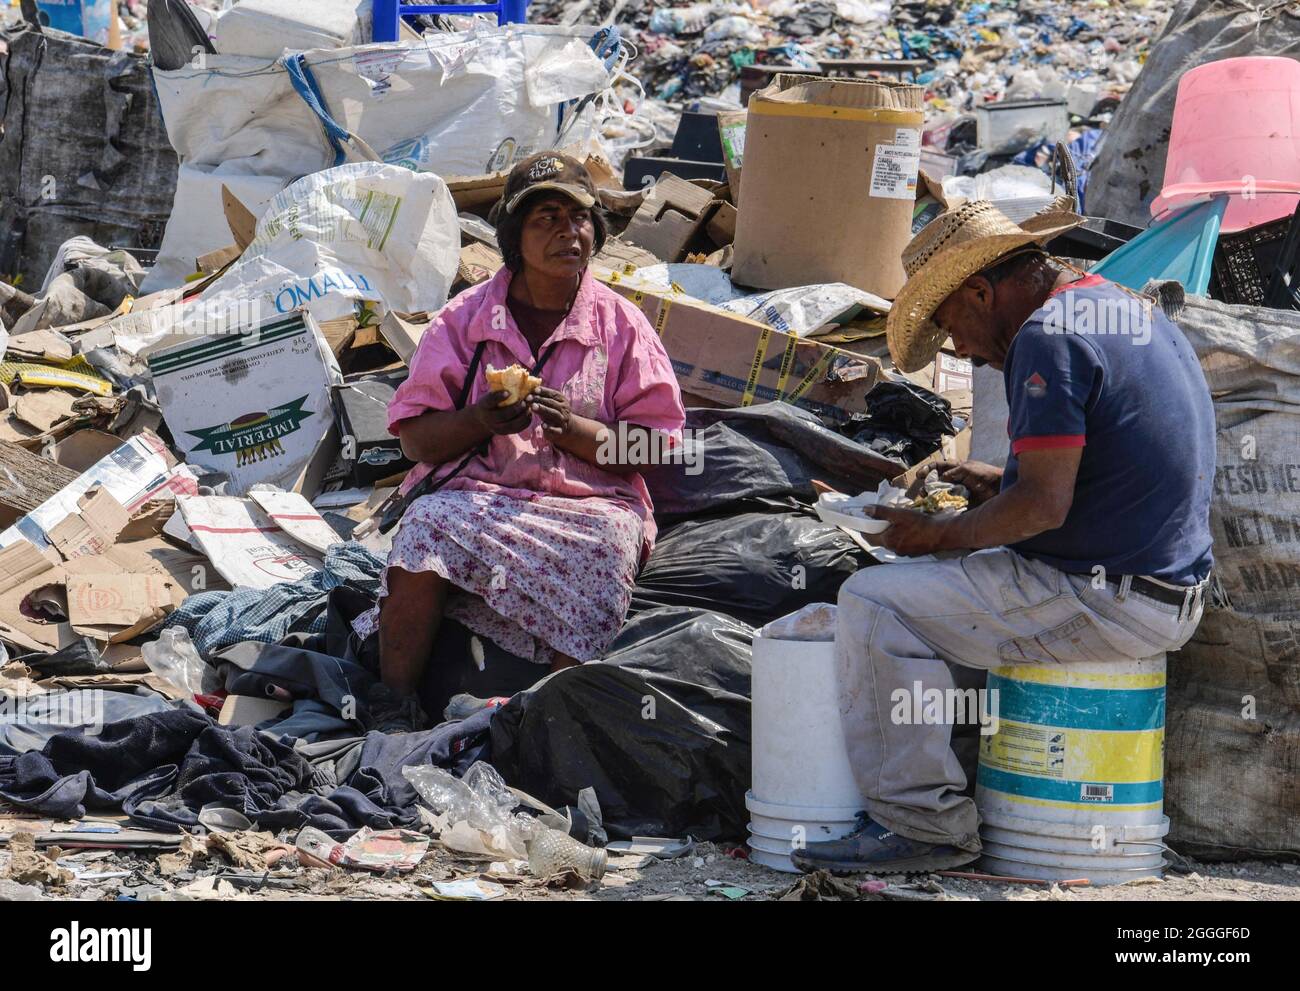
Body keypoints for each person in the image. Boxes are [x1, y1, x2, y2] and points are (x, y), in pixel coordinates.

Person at [793, 201, 1216, 874]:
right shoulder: (1118, 306)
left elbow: (1044, 506)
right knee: (942, 584)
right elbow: (1092, 478)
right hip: (1165, 586)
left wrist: (935, 534)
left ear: (982, 291)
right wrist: (994, 482)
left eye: (951, 324)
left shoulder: (1047, 337)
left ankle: (921, 824)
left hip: (1110, 599)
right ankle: (951, 776)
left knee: (875, 600)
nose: (959, 349)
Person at [355, 153, 686, 732]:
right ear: (514, 236)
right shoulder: (464, 320)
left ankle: (546, 715)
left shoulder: (622, 324)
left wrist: (579, 433)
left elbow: (660, 448)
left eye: (579, 218)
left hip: (589, 509)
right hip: (479, 498)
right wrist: (479, 421)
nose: (568, 232)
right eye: (546, 219)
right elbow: (414, 441)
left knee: (608, 542)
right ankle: (393, 705)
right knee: (426, 522)